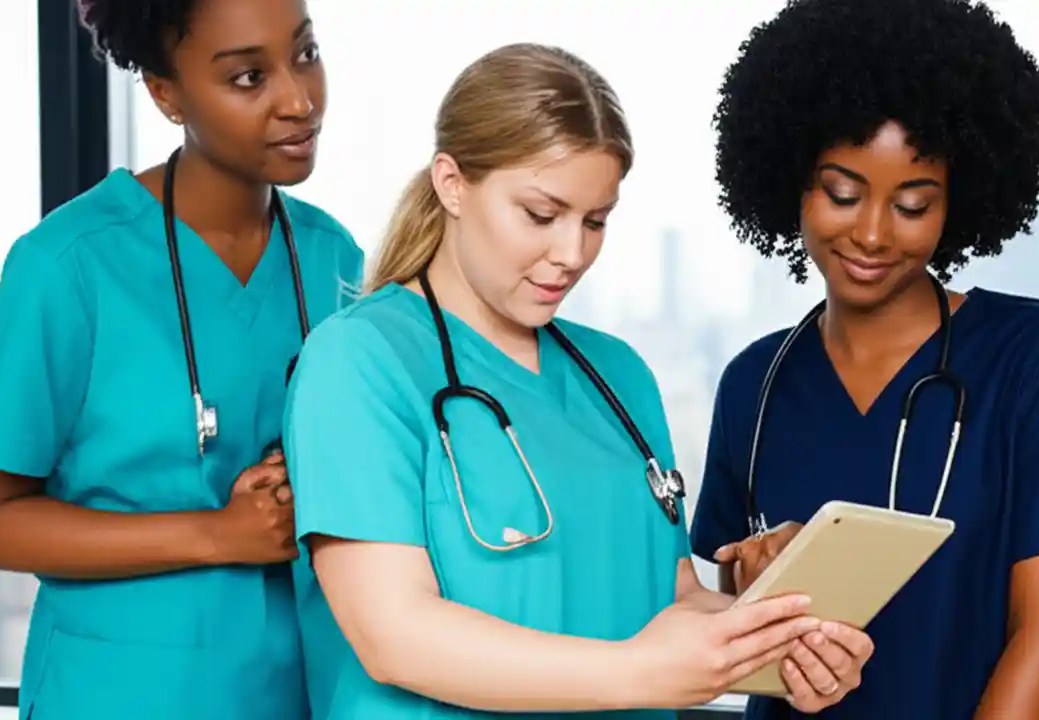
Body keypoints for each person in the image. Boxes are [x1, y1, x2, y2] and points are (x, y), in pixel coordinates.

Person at [282, 42, 874, 719]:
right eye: (541, 215)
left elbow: (671, 599)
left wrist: (788, 640)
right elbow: (395, 637)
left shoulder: (617, 375)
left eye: (595, 221)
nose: (571, 254)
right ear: (452, 183)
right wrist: (642, 674)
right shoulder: (360, 361)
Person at [689, 1, 1039, 718]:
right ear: (792, 179)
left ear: (961, 205)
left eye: (913, 205)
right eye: (843, 194)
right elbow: (748, 641)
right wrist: (760, 589)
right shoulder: (754, 387)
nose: (873, 234)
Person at [0, 1, 362, 718]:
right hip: (121, 694)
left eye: (305, 54)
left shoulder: (333, 258)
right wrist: (219, 534)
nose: (299, 100)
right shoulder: (68, 267)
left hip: (298, 692)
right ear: (165, 92)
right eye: (248, 77)